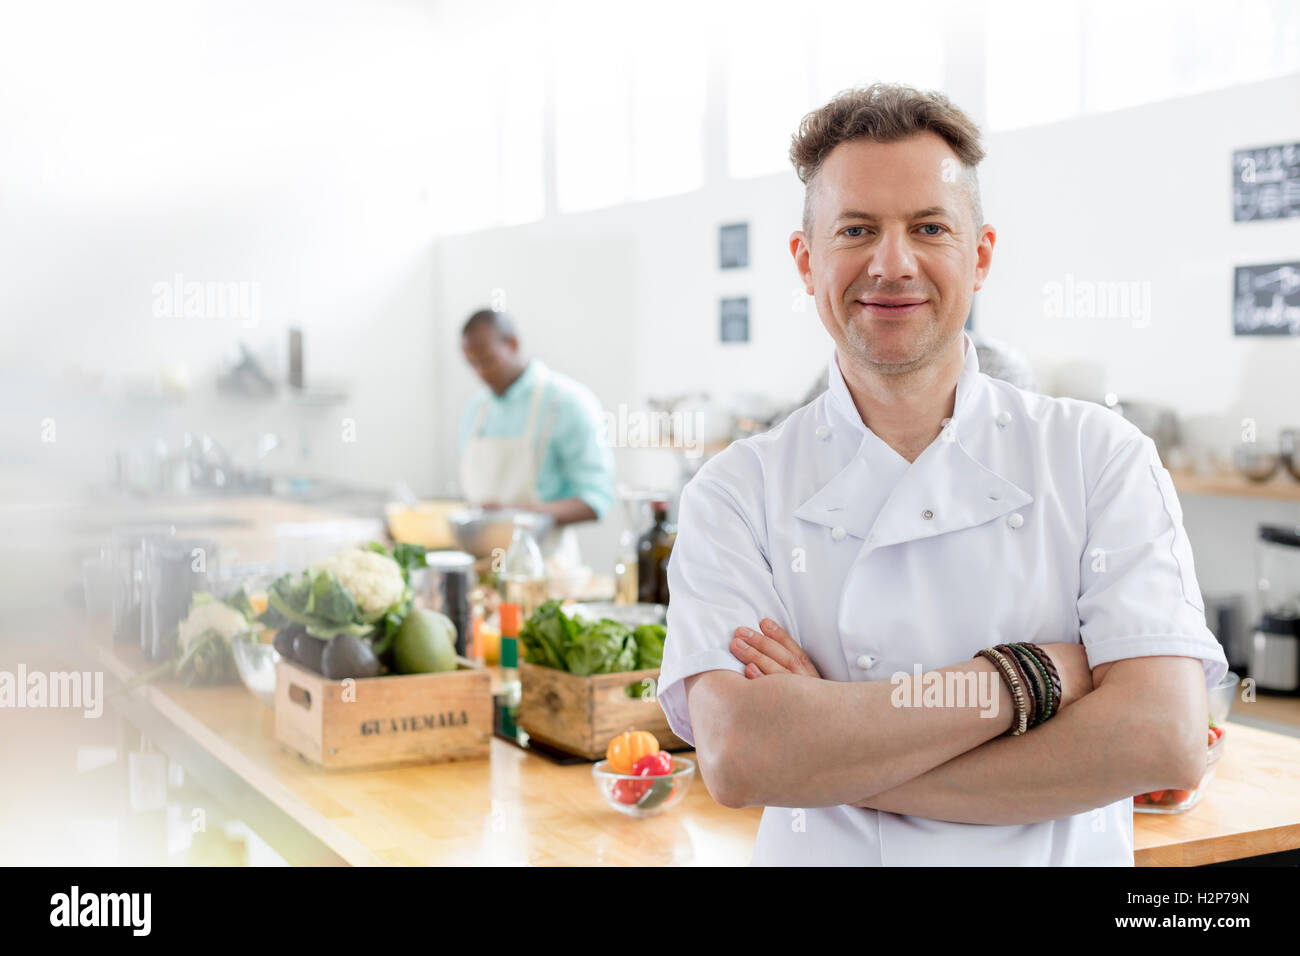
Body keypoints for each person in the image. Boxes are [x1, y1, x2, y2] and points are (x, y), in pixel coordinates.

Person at [657, 83, 1226, 866]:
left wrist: (829, 746)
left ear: (980, 255)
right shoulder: (734, 494)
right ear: (806, 259)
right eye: (856, 229)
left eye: (929, 227)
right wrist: (1023, 681)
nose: (892, 264)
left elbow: (1163, 739)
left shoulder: (1100, 457)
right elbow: (740, 758)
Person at [458, 309, 615, 564]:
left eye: (487, 361)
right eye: (472, 364)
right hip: (484, 568)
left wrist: (512, 516)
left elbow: (595, 500)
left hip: (547, 568)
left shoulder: (567, 403)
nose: (480, 373)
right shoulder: (476, 411)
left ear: (512, 344)